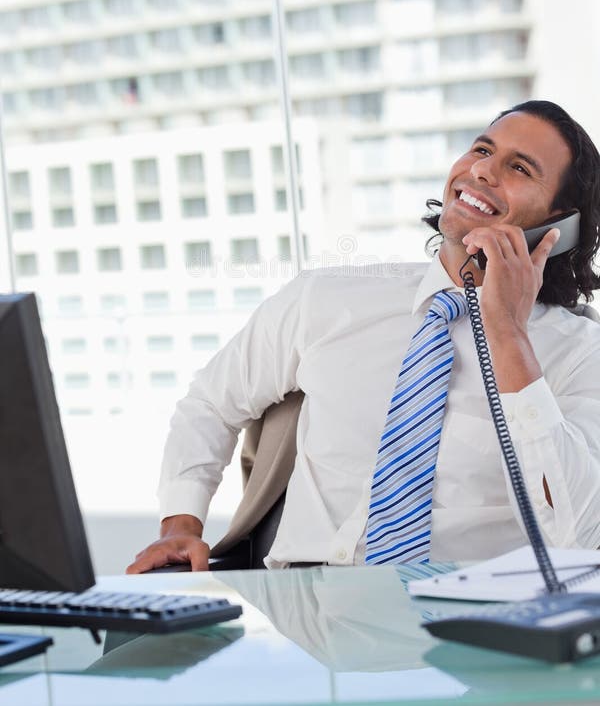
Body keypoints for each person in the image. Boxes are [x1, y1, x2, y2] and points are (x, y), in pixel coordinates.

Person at [127, 100, 600, 573]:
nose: (481, 170)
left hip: (472, 617)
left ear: (563, 224)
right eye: (481, 149)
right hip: (306, 606)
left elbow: (578, 532)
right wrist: (180, 525)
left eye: (518, 168)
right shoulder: (327, 298)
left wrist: (508, 335)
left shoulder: (580, 352)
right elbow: (210, 403)